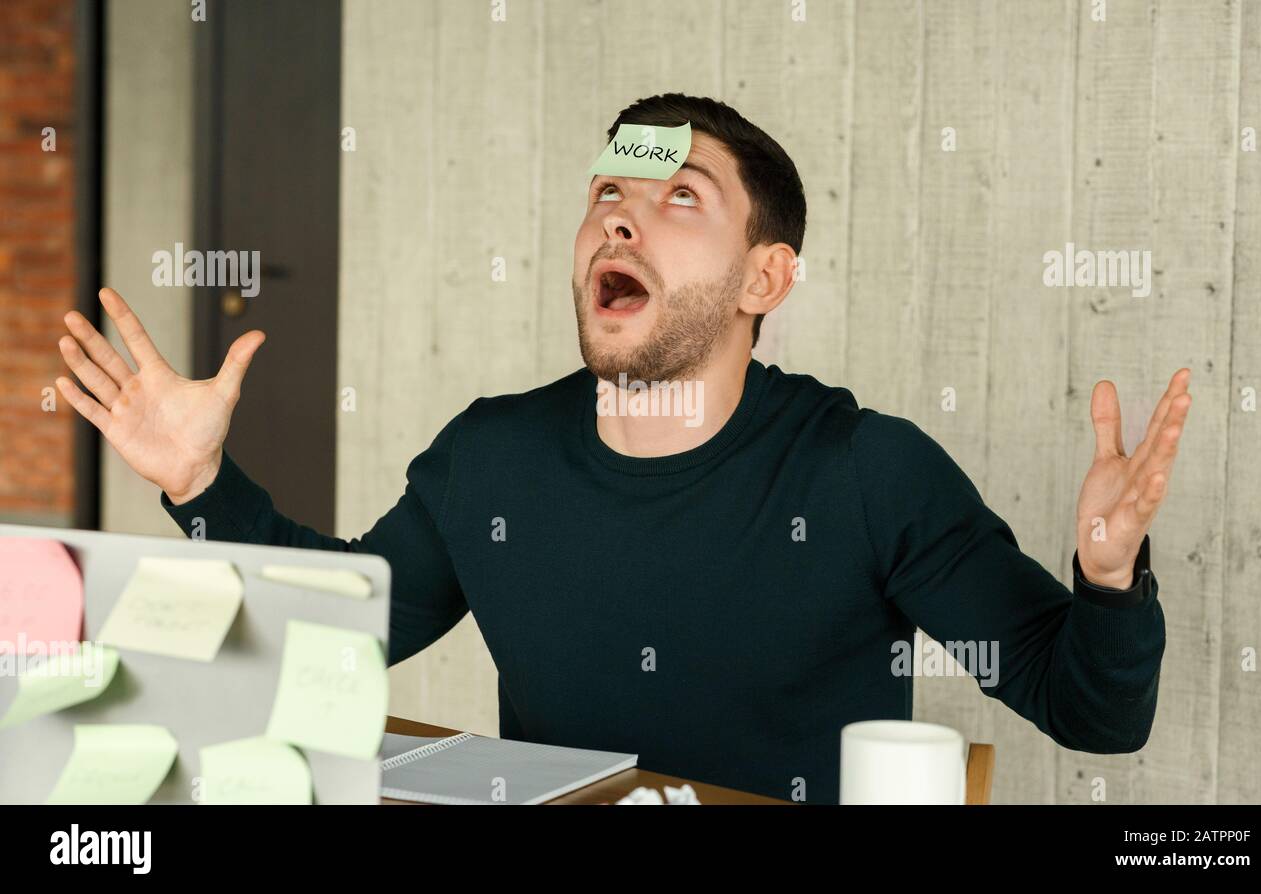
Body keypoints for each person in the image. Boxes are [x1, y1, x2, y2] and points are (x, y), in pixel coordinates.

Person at [55, 93, 1191, 804]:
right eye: (608, 189)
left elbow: (1089, 712)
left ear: (765, 277)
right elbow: (326, 645)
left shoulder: (866, 471)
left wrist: (1104, 578)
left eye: (677, 195)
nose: (619, 214)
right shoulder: (488, 460)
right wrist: (199, 483)